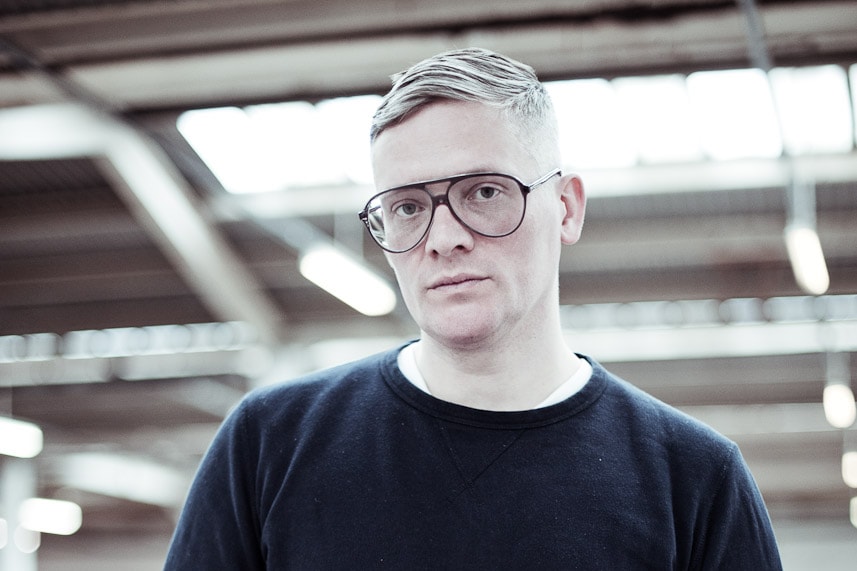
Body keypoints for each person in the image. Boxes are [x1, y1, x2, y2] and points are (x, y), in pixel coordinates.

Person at [164, 48, 782, 569]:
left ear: (566, 208)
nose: (442, 237)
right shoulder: (270, 442)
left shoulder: (694, 478)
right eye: (407, 207)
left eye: (484, 191)